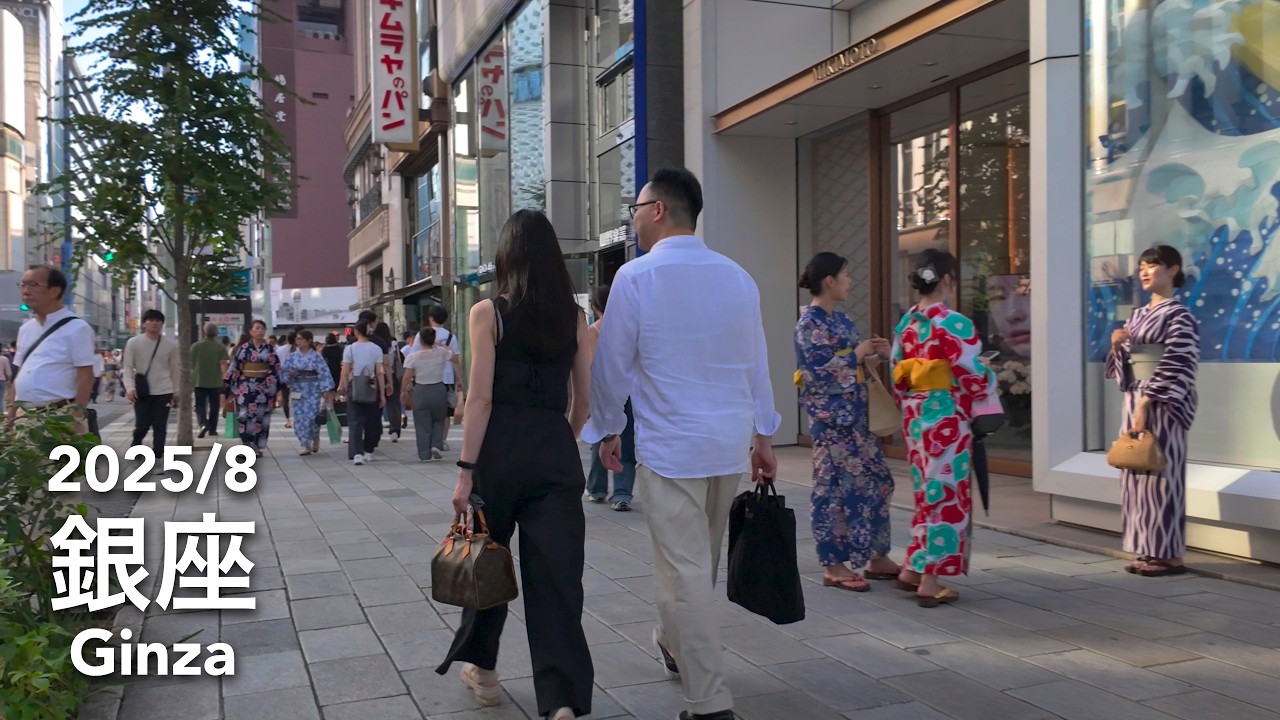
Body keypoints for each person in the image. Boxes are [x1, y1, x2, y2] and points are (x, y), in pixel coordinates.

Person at [585, 168, 779, 720]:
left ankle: (710, 702)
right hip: (725, 445)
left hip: (672, 447)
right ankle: (674, 643)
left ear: (658, 210)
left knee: (687, 570)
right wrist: (763, 435)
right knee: (697, 565)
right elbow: (756, 362)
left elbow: (612, 366)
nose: (634, 219)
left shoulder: (636, 277)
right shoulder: (738, 277)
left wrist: (607, 429)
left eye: (636, 209)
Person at [436, 209, 593, 720]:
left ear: (507, 256)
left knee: (486, 564)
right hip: (554, 455)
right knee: (558, 581)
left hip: (498, 457)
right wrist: (560, 440)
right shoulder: (574, 318)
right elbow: (583, 402)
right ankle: (562, 700)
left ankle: (483, 672)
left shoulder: (489, 313)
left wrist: (465, 471)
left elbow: (479, 400)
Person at [890, 249, 998, 608]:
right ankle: (931, 580)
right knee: (946, 494)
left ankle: (913, 567)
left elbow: (897, 373)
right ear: (948, 280)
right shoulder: (954, 322)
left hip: (916, 416)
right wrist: (989, 376)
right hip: (947, 418)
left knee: (926, 492)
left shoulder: (907, 323)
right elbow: (972, 375)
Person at [794, 252, 897, 593]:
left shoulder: (841, 320)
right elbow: (817, 375)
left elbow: (854, 368)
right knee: (833, 490)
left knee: (879, 481)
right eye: (845, 275)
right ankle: (833, 565)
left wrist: (877, 354)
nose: (849, 281)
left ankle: (877, 555)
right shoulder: (809, 324)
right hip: (832, 422)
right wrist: (857, 354)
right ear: (830, 281)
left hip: (857, 418)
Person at [1106, 245, 1200, 577]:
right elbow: (1126, 362)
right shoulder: (1137, 314)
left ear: (1173, 270)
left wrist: (1147, 401)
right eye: (1141, 266)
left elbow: (1180, 360)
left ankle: (1170, 555)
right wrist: (1117, 344)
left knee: (1163, 475)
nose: (1144, 272)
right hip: (1135, 396)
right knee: (1136, 472)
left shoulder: (1180, 315)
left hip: (1162, 403)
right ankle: (1147, 548)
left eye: (1152, 265)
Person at [4, 265, 95, 433]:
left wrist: (76, 418)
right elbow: (20, 374)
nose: (25, 291)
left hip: (60, 417)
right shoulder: (26, 329)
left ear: (54, 291)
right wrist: (11, 416)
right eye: (22, 285)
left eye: (33, 285)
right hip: (24, 418)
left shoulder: (77, 328)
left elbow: (86, 376)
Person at [584, 285, 636, 511]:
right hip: (629, 391)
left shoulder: (594, 331)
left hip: (604, 391)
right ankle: (622, 493)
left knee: (602, 437)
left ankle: (597, 488)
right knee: (627, 441)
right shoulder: (628, 328)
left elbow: (590, 365)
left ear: (595, 306)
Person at [404, 305, 465, 448]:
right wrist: (459, 379)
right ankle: (441, 441)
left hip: (425, 378)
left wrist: (409, 379)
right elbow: (455, 360)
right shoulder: (451, 337)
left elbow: (413, 355)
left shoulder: (422, 335)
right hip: (446, 378)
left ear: (431, 318)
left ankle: (430, 441)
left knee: (426, 411)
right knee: (444, 412)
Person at [122, 309, 181, 453]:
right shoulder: (133, 343)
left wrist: (176, 391)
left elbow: (175, 369)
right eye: (151, 320)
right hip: (143, 391)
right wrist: (129, 387)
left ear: (162, 324)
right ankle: (136, 446)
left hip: (164, 390)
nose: (154, 323)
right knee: (142, 425)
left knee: (160, 426)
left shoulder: (171, 345)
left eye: (158, 321)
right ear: (144, 324)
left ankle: (158, 454)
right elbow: (127, 367)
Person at [225, 320, 283, 456]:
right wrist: (230, 386)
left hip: (265, 387)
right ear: (251, 331)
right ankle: (247, 445)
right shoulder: (244, 348)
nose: (260, 331)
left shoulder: (269, 349)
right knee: (245, 416)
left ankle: (257, 446)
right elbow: (235, 367)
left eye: (263, 328)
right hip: (246, 387)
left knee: (262, 417)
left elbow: (276, 369)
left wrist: (278, 390)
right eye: (257, 328)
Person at [338, 318, 387, 466]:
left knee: (355, 421)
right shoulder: (376, 348)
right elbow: (380, 372)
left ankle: (357, 453)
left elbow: (345, 370)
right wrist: (382, 394)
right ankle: (369, 451)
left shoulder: (350, 349)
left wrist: (343, 386)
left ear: (356, 331)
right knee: (372, 420)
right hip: (372, 386)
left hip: (354, 386)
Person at [401, 327, 453, 461]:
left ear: (420, 340)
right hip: (438, 389)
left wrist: (403, 391)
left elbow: (406, 377)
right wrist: (440, 345)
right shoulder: (441, 353)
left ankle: (424, 453)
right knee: (439, 419)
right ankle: (436, 444)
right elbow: (454, 356)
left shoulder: (413, 357)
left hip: (421, 391)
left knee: (421, 423)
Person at [282, 330, 336, 455]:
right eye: (297, 339)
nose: (298, 341)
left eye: (301, 339)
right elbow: (284, 373)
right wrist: (290, 375)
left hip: (313, 389)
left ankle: (315, 437)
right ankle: (305, 444)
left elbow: (324, 373)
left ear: (309, 341)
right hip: (297, 389)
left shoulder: (316, 357)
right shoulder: (292, 357)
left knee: (312, 417)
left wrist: (325, 389)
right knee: (300, 418)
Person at [191, 322, 230, 438]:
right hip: (215, 381)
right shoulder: (220, 347)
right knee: (214, 406)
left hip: (199, 380)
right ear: (216, 332)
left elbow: (190, 363)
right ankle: (212, 429)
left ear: (204, 331)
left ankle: (203, 423)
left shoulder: (195, 346)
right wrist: (225, 378)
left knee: (200, 405)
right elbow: (223, 364)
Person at [375, 321, 404, 441]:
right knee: (394, 404)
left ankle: (377, 428)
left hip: (377, 374)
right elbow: (399, 360)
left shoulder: (375, 343)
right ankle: (395, 430)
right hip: (392, 374)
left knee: (376, 403)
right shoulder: (394, 344)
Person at [277, 333, 295, 429]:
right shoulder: (298, 350)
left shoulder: (280, 349)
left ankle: (288, 420)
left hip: (283, 376)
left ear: (287, 339)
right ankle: (297, 418)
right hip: (296, 377)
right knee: (297, 399)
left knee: (286, 399)